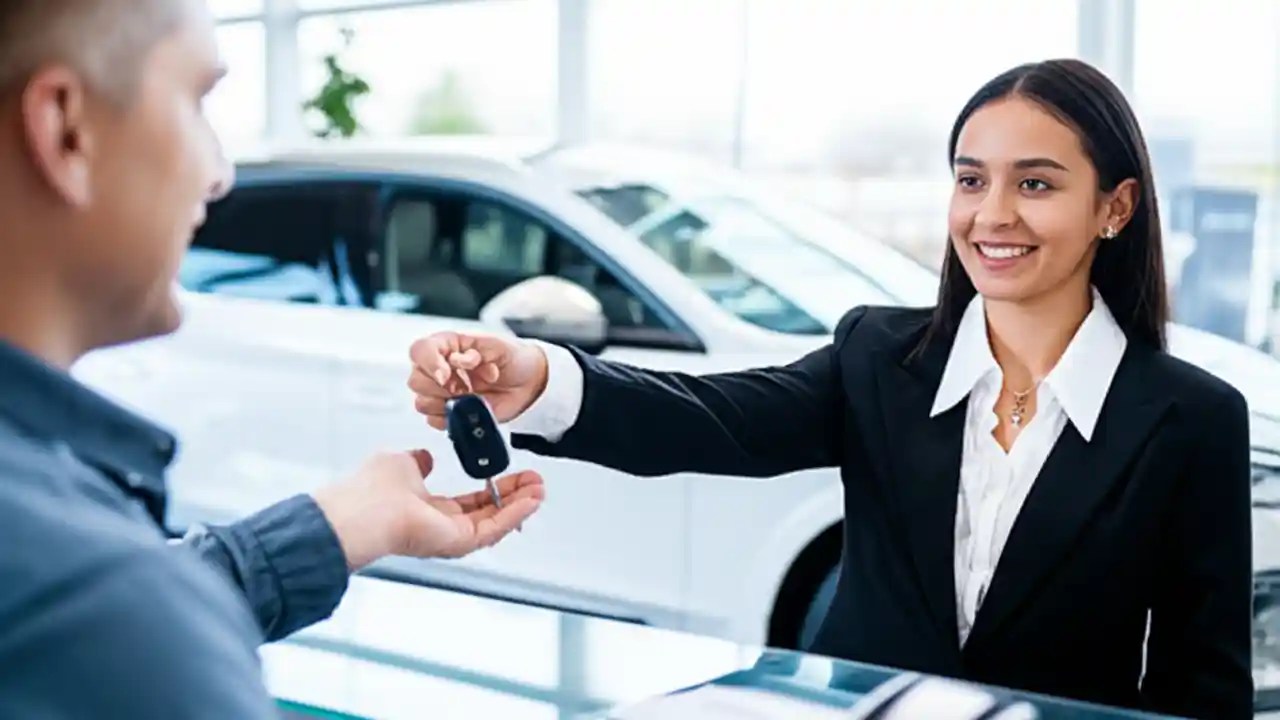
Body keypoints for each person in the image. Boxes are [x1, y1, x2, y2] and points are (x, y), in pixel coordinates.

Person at [409, 58, 1254, 719]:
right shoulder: (878, 357)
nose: (992, 214)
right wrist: (538, 379)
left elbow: (1199, 696)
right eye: (970, 179)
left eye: (1034, 183)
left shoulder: (1193, 419)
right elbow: (713, 420)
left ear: (1116, 207)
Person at [0, 1, 544, 717]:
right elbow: (108, 618)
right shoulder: (109, 615)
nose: (221, 173)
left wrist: (336, 523)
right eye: (197, 100)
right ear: (67, 129)